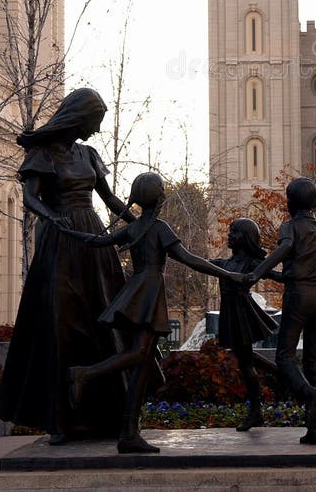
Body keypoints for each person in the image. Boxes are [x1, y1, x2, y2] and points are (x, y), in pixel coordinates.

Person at [66, 172, 244, 454]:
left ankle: (128, 432)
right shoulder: (159, 228)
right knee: (140, 355)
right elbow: (190, 259)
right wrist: (228, 275)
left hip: (136, 290)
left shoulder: (135, 228)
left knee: (143, 362)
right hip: (148, 292)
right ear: (158, 196)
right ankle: (85, 375)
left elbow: (96, 241)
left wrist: (66, 229)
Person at [0, 88, 135, 444]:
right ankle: (60, 419)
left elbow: (108, 198)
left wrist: (136, 217)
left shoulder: (88, 154)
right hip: (60, 244)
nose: (98, 131)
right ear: (79, 117)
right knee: (62, 325)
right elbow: (29, 198)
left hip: (93, 245)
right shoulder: (42, 153)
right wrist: (52, 218)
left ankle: (105, 416)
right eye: (95, 122)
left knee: (102, 322)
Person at [244, 177, 316, 445]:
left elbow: (284, 250)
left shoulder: (291, 227)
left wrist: (256, 273)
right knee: (313, 360)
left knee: (284, 356)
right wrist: (274, 271)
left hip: (299, 296)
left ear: (290, 202)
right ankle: (313, 429)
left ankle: (305, 392)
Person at [211, 218, 279, 432]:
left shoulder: (251, 263)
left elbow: (276, 275)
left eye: (235, 232)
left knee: (246, 364)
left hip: (243, 313)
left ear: (246, 238)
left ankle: (256, 412)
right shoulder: (226, 263)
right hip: (230, 313)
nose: (230, 235)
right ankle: (281, 374)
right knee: (244, 357)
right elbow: (198, 262)